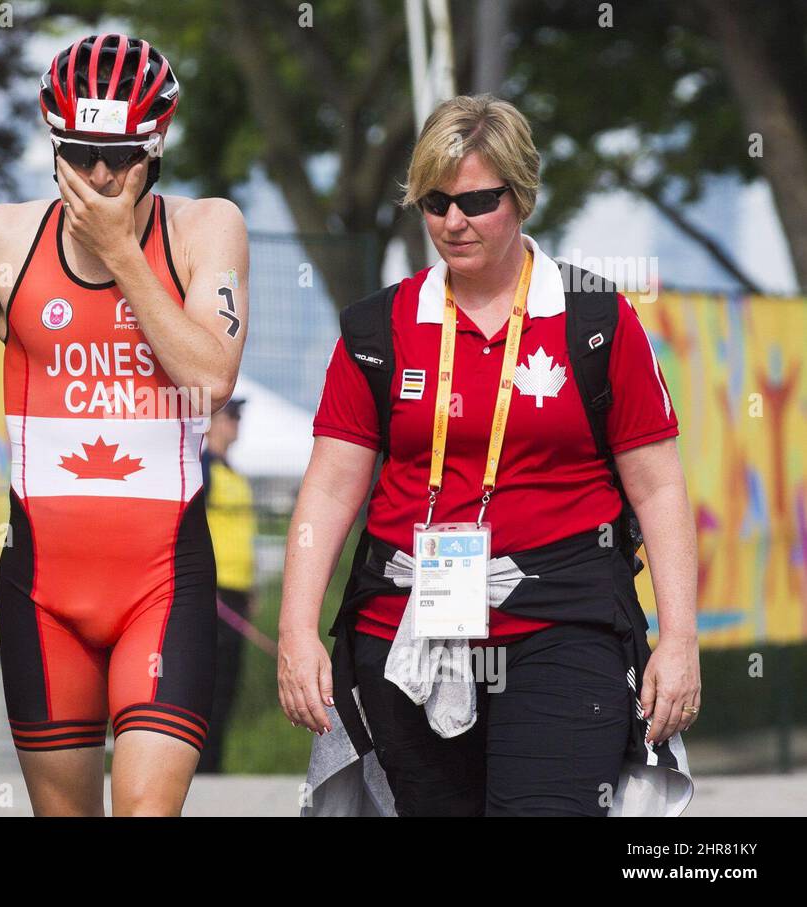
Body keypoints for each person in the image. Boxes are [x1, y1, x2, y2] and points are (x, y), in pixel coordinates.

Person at [0, 33, 249, 816]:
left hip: (162, 583)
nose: (99, 175)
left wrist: (123, 253)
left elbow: (210, 375)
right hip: (44, 590)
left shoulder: (205, 229)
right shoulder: (4, 237)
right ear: (54, 146)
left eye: (121, 156)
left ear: (155, 147)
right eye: (81, 152)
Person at [278, 94, 697, 816]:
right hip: (407, 627)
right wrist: (295, 630)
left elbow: (659, 490)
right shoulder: (381, 327)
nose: (453, 221)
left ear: (522, 196)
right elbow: (327, 490)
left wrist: (681, 640)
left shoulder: (596, 319)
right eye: (435, 202)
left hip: (563, 622)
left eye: (477, 200)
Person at [196, 398, 257, 773]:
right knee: (209, 685)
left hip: (236, 594)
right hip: (212, 594)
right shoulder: (203, 468)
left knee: (228, 688)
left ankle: (213, 768)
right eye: (231, 415)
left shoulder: (233, 472)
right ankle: (200, 768)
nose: (237, 422)